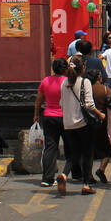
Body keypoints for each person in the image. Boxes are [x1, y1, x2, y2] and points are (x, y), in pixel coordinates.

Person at [59, 56, 100, 196]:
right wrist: (99, 114)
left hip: (68, 124)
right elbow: (89, 104)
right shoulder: (85, 82)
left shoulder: (64, 83)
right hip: (83, 123)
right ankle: (86, 184)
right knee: (87, 153)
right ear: (82, 68)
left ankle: (64, 175)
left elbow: (61, 104)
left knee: (74, 153)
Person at [33, 58, 70, 192]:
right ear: (65, 69)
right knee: (70, 146)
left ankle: (47, 178)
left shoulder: (45, 81)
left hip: (48, 116)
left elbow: (38, 100)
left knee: (50, 147)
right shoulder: (67, 82)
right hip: (65, 117)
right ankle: (68, 173)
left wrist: (36, 114)